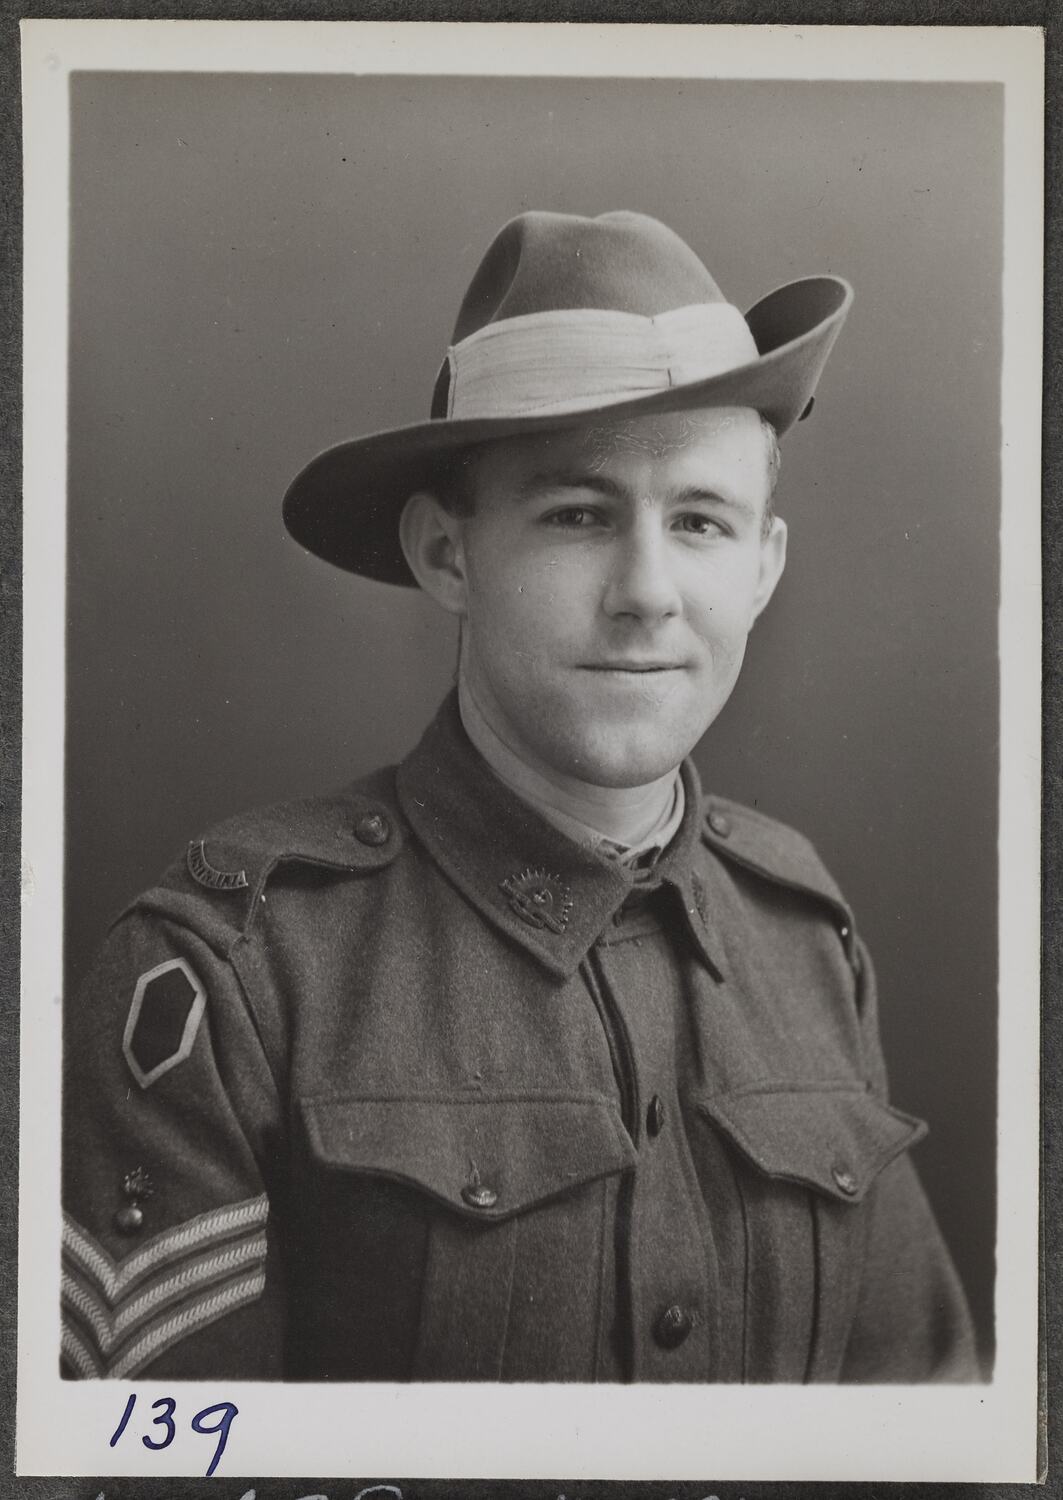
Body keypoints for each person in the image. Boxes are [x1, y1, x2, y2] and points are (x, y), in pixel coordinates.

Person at [61, 209, 978, 1383]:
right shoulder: (233, 975)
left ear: (762, 569)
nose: (648, 591)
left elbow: (923, 1419)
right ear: (449, 555)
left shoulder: (803, 936)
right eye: (578, 517)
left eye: (700, 522)